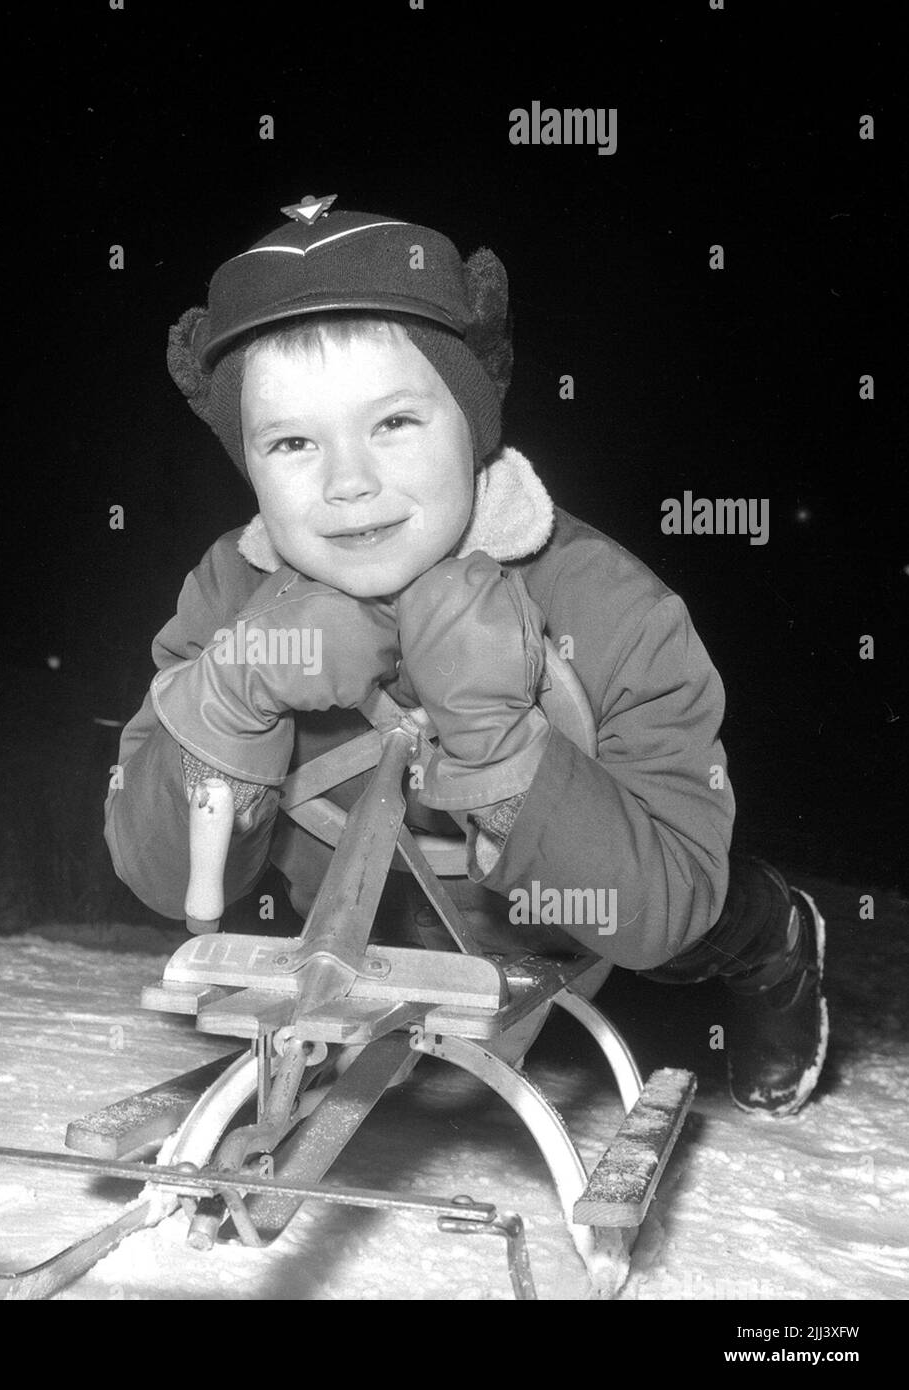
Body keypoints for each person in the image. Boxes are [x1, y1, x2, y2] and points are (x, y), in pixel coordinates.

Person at [104, 195, 827, 1116]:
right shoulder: (229, 592)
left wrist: (502, 743)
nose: (348, 482)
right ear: (248, 461)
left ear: (473, 423)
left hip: (580, 920)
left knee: (704, 926)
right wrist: (228, 699)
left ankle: (777, 947)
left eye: (395, 423)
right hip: (360, 918)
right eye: (292, 442)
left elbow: (661, 911)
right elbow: (164, 879)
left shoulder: (609, 606)